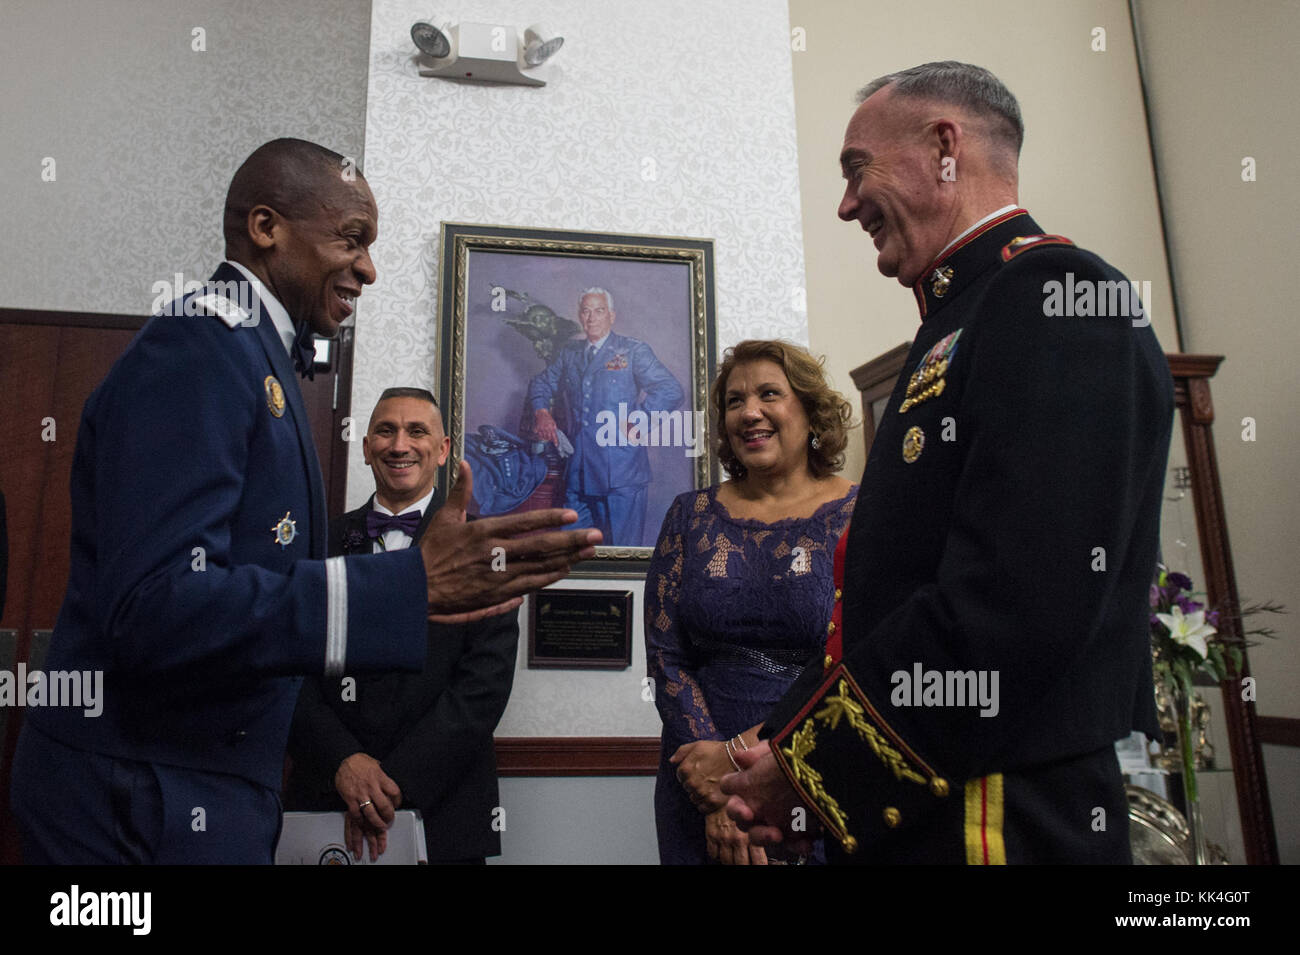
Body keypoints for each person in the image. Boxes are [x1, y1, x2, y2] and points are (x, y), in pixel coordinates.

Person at [9, 138, 598, 864]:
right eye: (351, 239)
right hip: (138, 803)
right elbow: (156, 605)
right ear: (266, 228)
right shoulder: (200, 346)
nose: (369, 268)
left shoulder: (261, 360)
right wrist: (405, 586)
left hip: (204, 795)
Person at [723, 62, 1174, 864]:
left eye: (856, 169)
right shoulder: (964, 316)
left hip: (998, 812)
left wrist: (813, 766)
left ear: (943, 147)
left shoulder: (1054, 295)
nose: (846, 203)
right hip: (932, 798)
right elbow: (890, 600)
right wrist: (779, 749)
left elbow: (1015, 605)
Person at [286, 387, 519, 864]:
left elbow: (484, 687)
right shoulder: (317, 542)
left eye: (417, 431)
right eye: (386, 431)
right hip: (326, 800)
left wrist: (390, 786)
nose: (400, 445)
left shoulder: (484, 549)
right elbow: (289, 667)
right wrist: (344, 763)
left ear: (443, 449)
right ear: (368, 445)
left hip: (444, 810)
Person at [646, 340, 857, 865]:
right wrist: (714, 786)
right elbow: (665, 656)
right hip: (694, 774)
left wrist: (742, 767)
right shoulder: (689, 514)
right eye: (734, 401)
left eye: (769, 394)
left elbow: (864, 658)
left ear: (810, 412)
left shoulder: (863, 512)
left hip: (816, 767)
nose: (749, 412)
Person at [528, 288, 684, 547]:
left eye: (599, 311)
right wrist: (542, 412)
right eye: (586, 311)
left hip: (621, 475)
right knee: (572, 555)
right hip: (579, 473)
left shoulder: (632, 351)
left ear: (611, 316)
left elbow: (670, 390)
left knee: (621, 556)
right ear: (580, 316)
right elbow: (542, 383)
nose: (592, 318)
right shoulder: (571, 353)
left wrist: (639, 421)